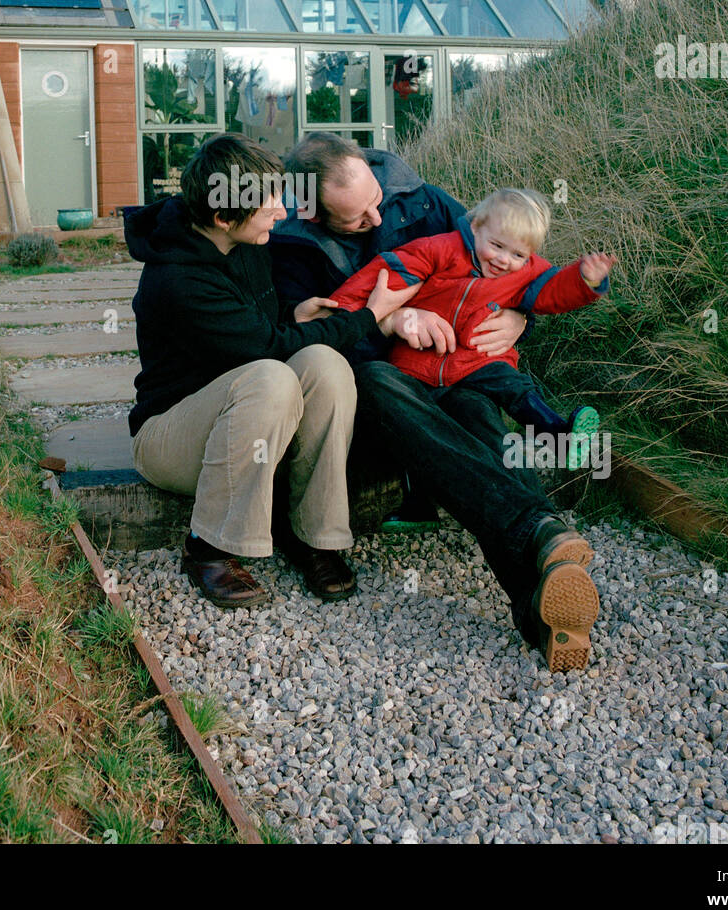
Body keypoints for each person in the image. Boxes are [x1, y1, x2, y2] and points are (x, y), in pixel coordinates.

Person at [270, 133, 602, 671]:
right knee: (377, 380)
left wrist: (521, 320)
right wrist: (392, 319)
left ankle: (542, 599)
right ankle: (539, 529)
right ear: (309, 207)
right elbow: (308, 346)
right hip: (378, 391)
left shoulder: (422, 199)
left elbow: (511, 270)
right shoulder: (288, 249)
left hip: (458, 375)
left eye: (376, 199)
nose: (377, 220)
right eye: (357, 219)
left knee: (478, 417)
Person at [124, 133, 416, 609]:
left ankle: (313, 536)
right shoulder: (178, 279)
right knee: (272, 377)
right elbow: (265, 349)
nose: (282, 213)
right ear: (223, 215)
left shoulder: (242, 238)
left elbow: (257, 325)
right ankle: (208, 548)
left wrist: (293, 313)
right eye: (269, 205)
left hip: (235, 414)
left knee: (324, 364)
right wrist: (368, 316)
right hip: (169, 438)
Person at [325, 187, 616, 474]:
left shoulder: (526, 272)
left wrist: (583, 281)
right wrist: (338, 308)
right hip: (418, 359)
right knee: (412, 426)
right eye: (497, 246)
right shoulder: (441, 249)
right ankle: (416, 507)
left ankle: (557, 434)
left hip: (480, 359)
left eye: (517, 254)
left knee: (514, 386)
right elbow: (387, 272)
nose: (504, 260)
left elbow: (552, 291)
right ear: (476, 228)